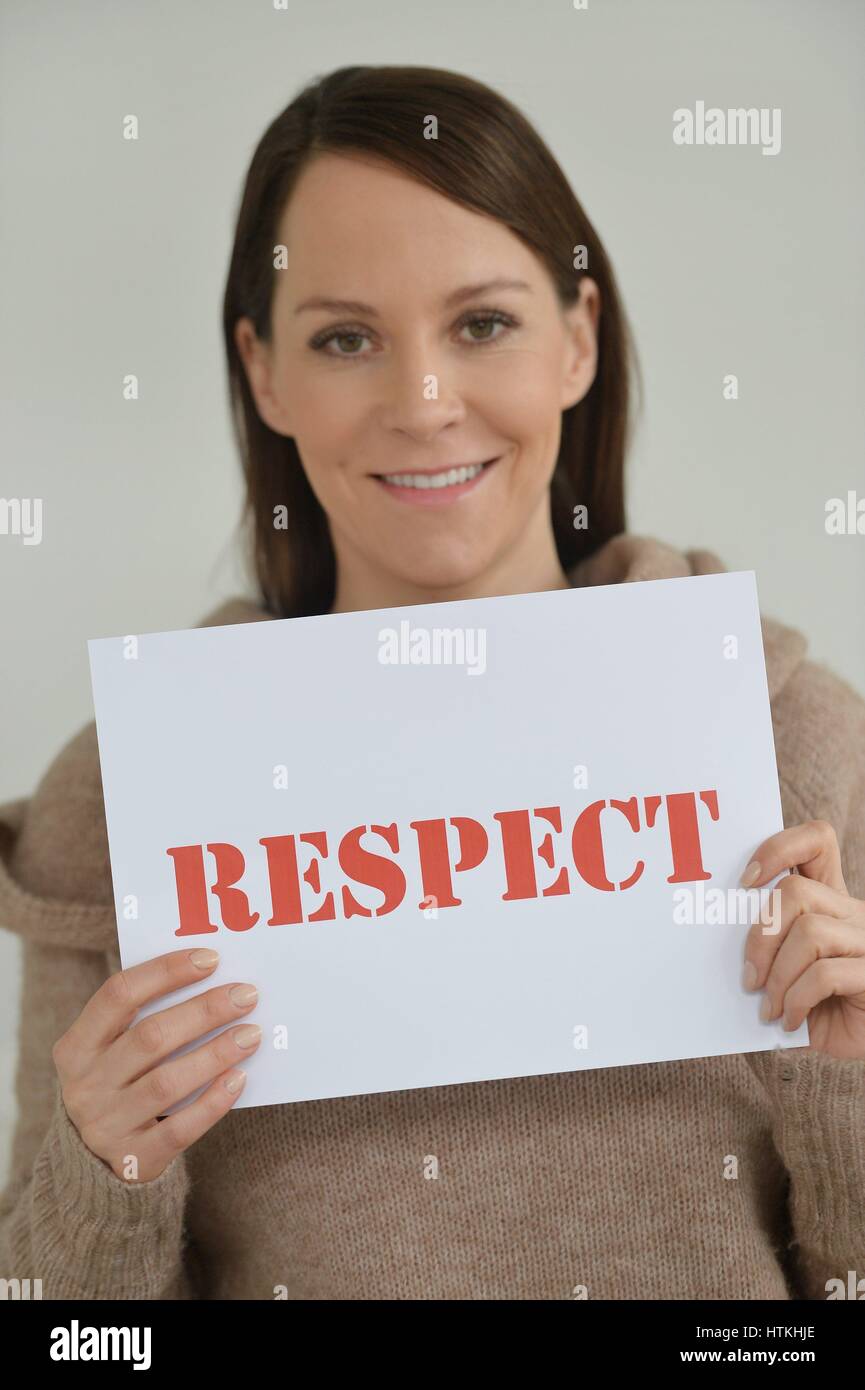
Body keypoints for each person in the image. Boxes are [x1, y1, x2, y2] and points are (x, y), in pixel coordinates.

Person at [1, 65, 863, 1301]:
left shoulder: (799, 745)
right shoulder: (125, 795)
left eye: (483, 324)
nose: (421, 402)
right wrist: (106, 1168)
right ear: (263, 374)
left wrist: (852, 1091)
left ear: (577, 337)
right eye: (346, 338)